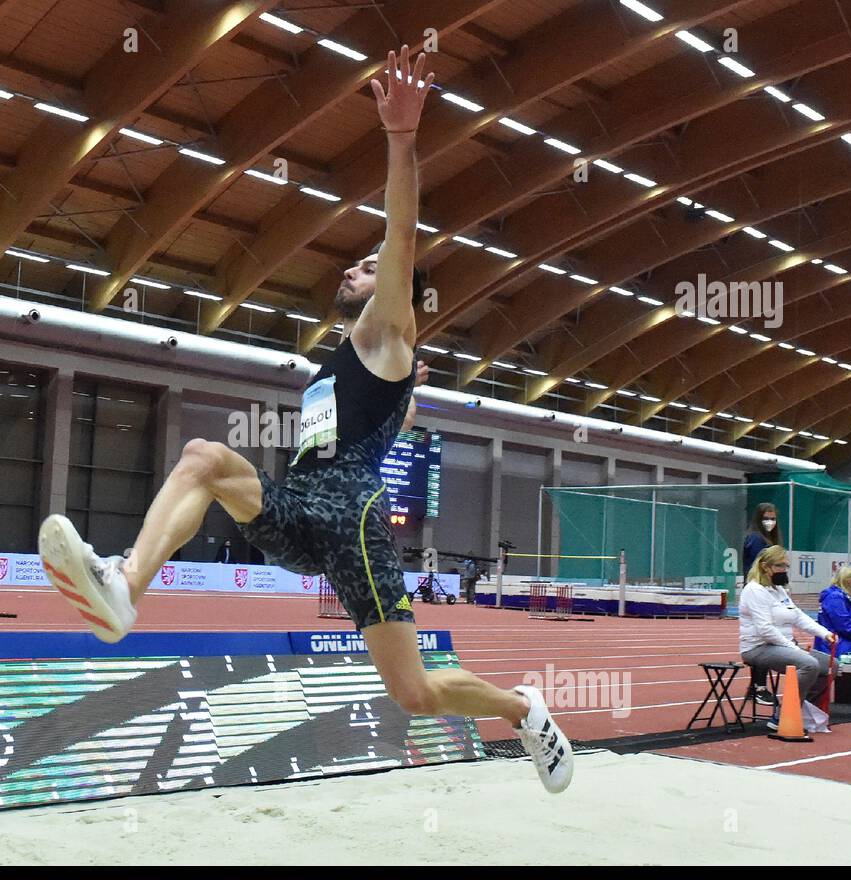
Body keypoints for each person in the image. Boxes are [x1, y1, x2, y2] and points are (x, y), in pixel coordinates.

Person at [37, 48, 572, 794]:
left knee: (413, 694)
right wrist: (406, 396)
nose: (351, 271)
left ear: (395, 292)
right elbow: (390, 412)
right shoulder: (350, 362)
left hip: (353, 524)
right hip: (295, 510)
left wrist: (400, 140)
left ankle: (522, 710)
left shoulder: (388, 330)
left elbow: (404, 232)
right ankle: (126, 586)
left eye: (365, 267)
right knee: (203, 457)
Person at [739, 545, 836, 732]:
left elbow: (798, 616)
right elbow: (765, 629)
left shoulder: (779, 591)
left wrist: (824, 633)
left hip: (784, 645)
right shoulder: (754, 590)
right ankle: (783, 716)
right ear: (766, 567)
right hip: (759, 647)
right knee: (809, 664)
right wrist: (793, 647)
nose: (785, 570)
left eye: (786, 566)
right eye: (781, 566)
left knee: (831, 665)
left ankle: (806, 711)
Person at [742, 502, 783, 707]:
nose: (770, 522)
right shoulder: (756, 539)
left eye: (773, 518)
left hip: (767, 592)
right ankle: (759, 686)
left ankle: (756, 685)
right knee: (762, 639)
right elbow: (757, 567)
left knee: (765, 638)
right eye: (766, 518)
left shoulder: (769, 539)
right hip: (758, 593)